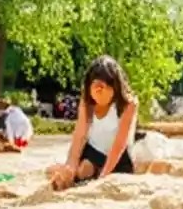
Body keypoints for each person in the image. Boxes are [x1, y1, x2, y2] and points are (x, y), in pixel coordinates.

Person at [46, 55, 138, 190]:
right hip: (93, 150)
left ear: (114, 86)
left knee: (104, 176)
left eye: (103, 86)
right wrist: (70, 165)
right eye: (95, 86)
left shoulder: (128, 104)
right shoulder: (87, 103)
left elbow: (120, 143)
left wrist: (104, 177)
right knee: (81, 171)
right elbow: (80, 134)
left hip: (120, 155)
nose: (99, 91)